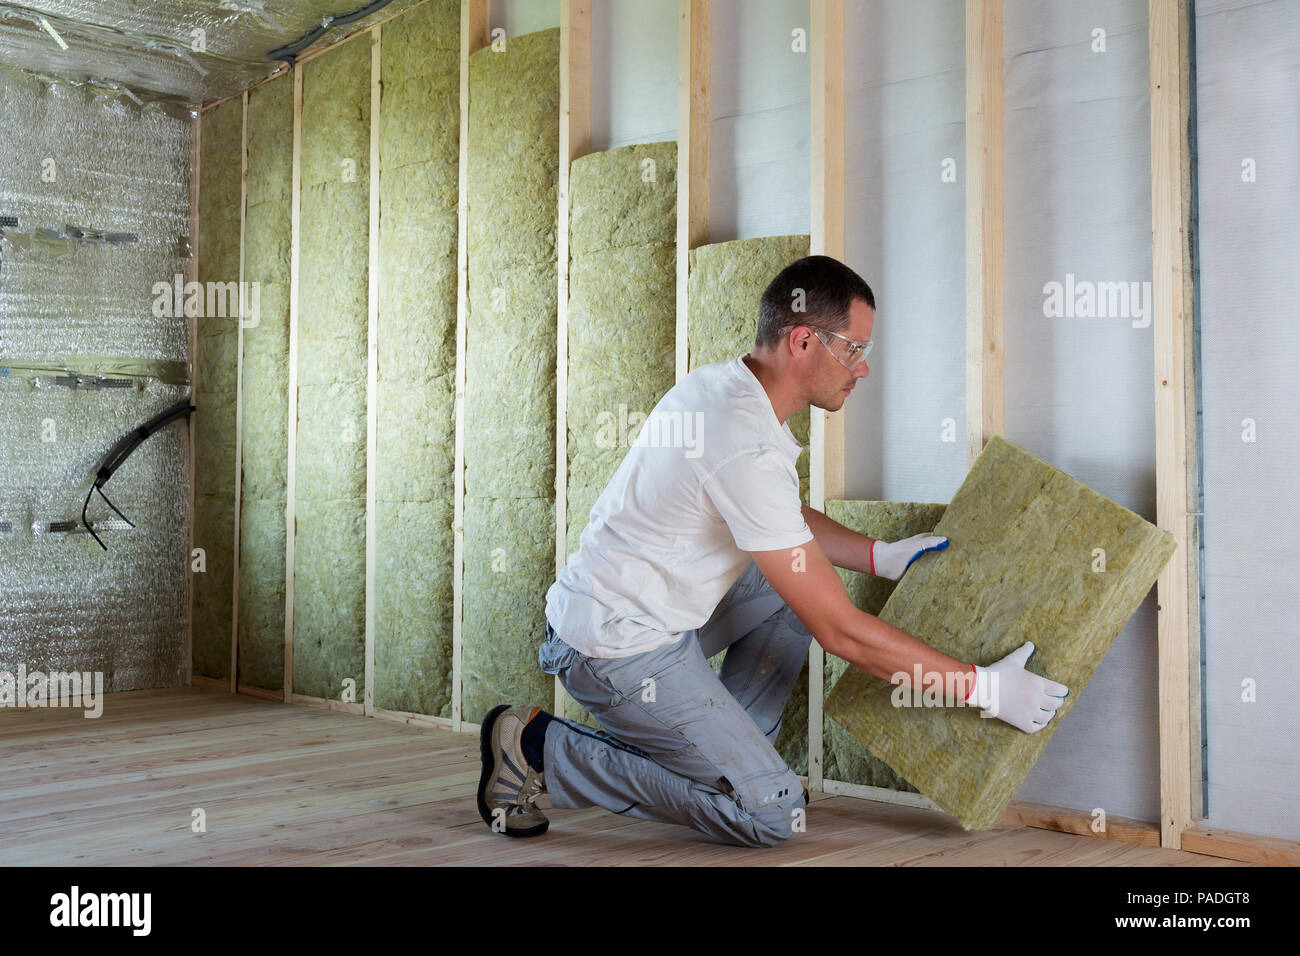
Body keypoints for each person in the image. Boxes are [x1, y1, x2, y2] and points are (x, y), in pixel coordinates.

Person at [476, 255, 1069, 847]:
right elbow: (842, 632)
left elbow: (781, 519)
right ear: (805, 340)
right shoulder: (742, 440)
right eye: (854, 350)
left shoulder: (728, 388)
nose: (861, 370)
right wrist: (982, 688)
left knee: (790, 593)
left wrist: (875, 554)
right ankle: (537, 747)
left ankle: (736, 764)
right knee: (772, 815)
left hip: (649, 615)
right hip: (612, 648)